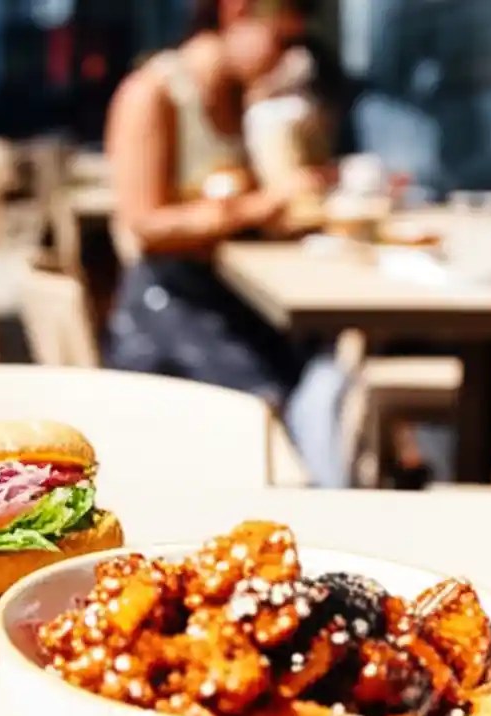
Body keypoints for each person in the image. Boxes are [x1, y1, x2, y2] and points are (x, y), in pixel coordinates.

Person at [106, 0, 350, 486]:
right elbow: (144, 223)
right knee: (286, 390)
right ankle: (307, 503)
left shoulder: (241, 97)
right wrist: (255, 207)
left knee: (325, 371)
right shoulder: (152, 93)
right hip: (166, 307)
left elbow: (257, 193)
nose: (287, 59)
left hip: (224, 295)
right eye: (282, 41)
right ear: (237, 14)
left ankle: (323, 496)